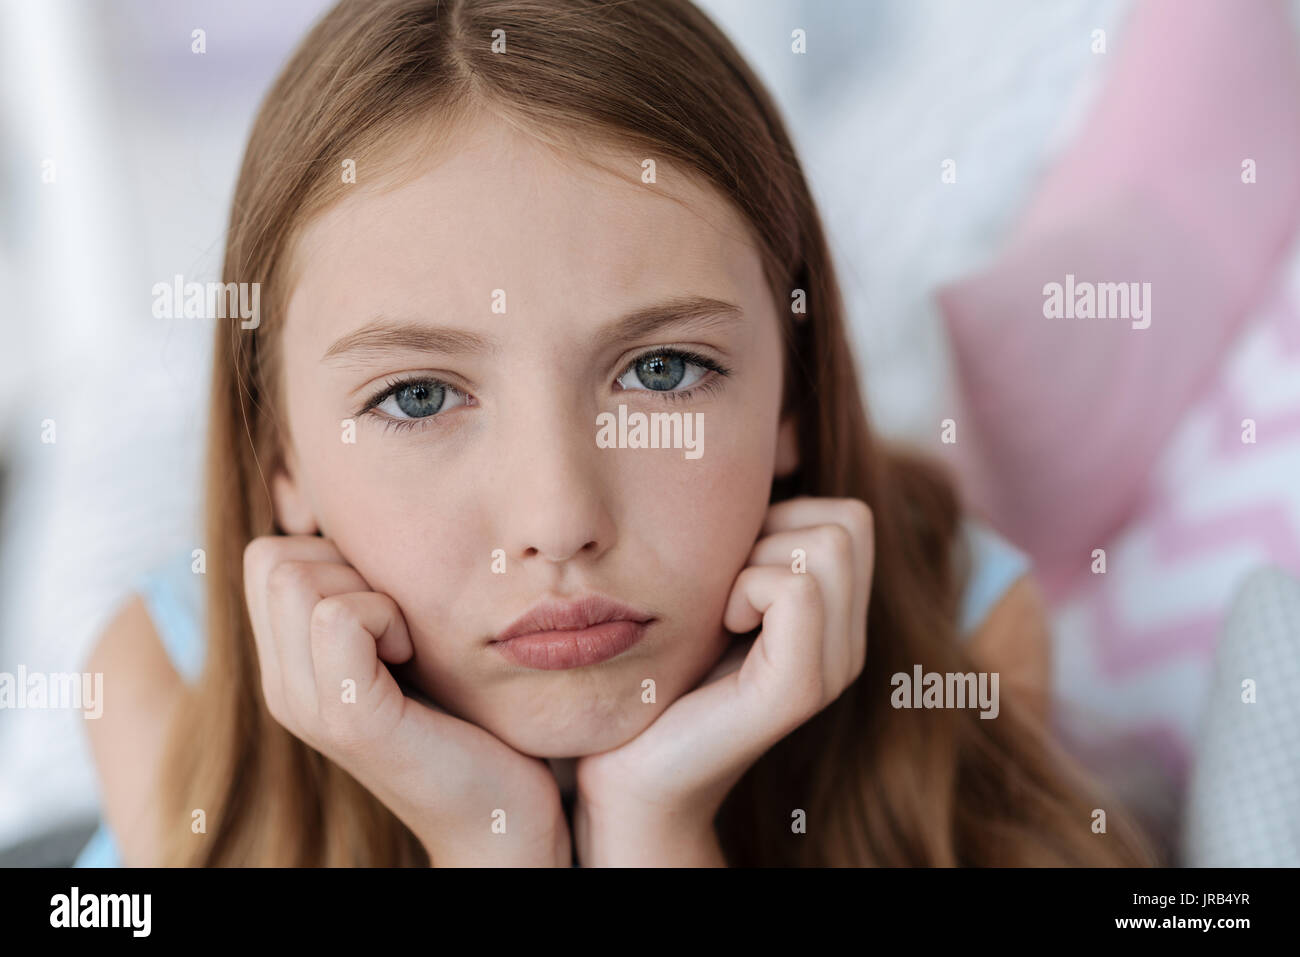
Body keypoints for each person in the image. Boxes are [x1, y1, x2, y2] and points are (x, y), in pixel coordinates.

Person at [77, 0, 1157, 867]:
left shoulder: (960, 635)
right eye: (418, 397)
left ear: (791, 393)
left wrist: (660, 831)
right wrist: (485, 840)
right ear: (282, 461)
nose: (558, 521)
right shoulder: (165, 687)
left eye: (660, 371)